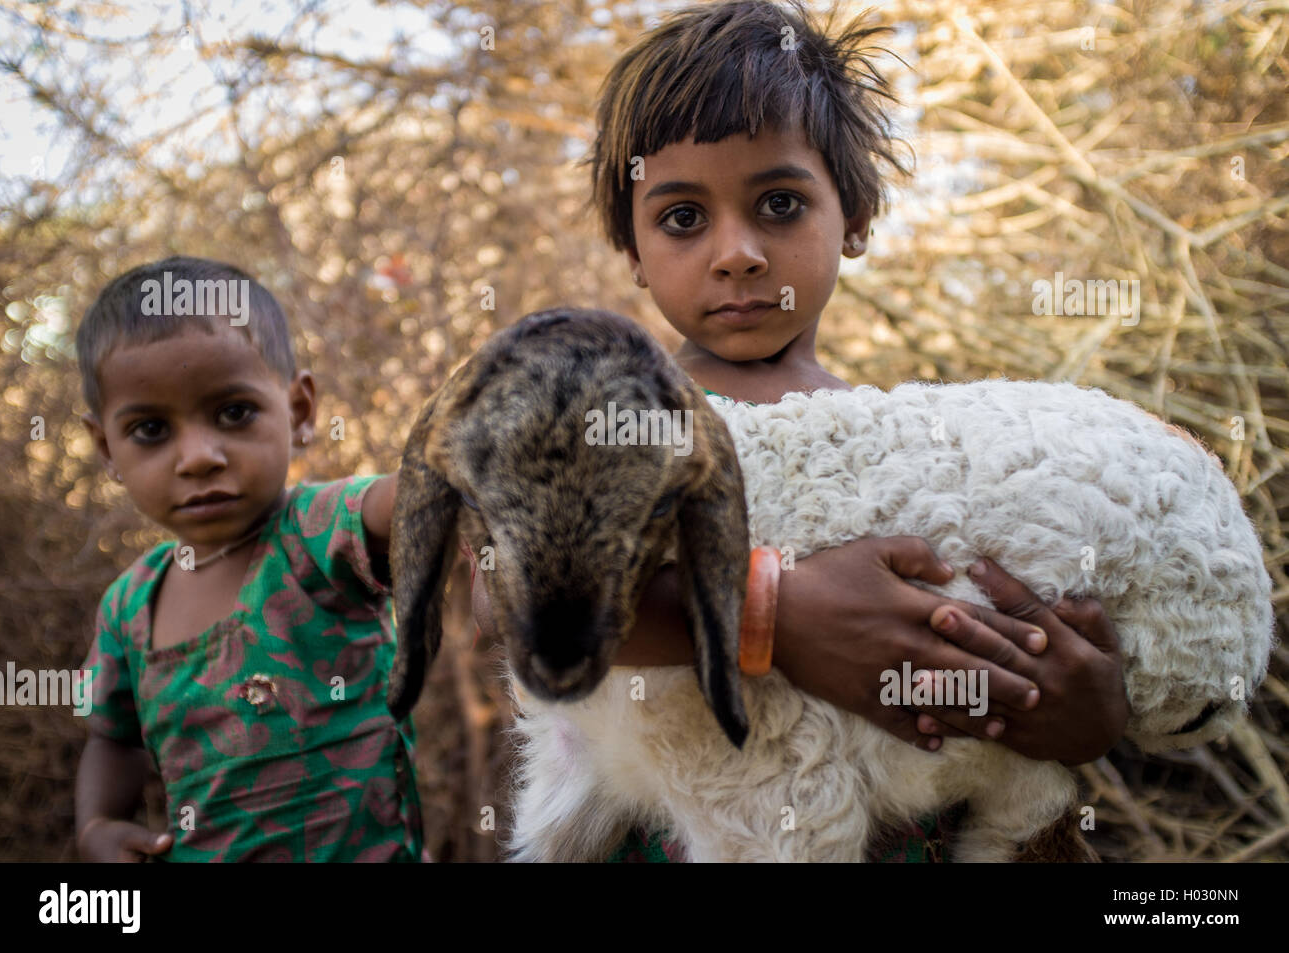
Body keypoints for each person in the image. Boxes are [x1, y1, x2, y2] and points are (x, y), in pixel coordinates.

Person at [472, 0, 1128, 862]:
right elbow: (518, 595)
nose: (735, 251)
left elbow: (1008, 629)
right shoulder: (622, 420)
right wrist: (774, 615)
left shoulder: (914, 441)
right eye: (681, 218)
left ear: (852, 218)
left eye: (779, 203)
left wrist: (1094, 710)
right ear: (631, 248)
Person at [73, 256, 421, 861]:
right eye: (151, 429)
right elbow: (113, 737)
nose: (199, 456)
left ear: (300, 412)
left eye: (234, 413)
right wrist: (97, 823)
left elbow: (403, 502)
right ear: (106, 448)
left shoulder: (313, 535)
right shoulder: (128, 606)